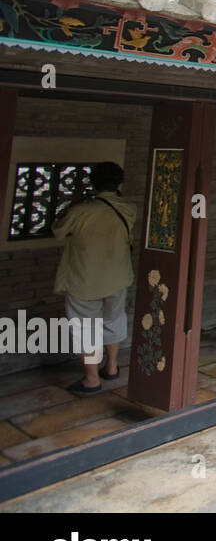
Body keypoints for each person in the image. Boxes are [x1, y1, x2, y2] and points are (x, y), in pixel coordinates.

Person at [52, 161, 137, 395]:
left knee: (85, 327)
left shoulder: (81, 211)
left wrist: (75, 201)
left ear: (93, 182)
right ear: (119, 182)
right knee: (113, 319)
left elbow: (58, 230)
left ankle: (91, 379)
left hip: (85, 279)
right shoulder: (128, 208)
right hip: (117, 276)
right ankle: (110, 366)